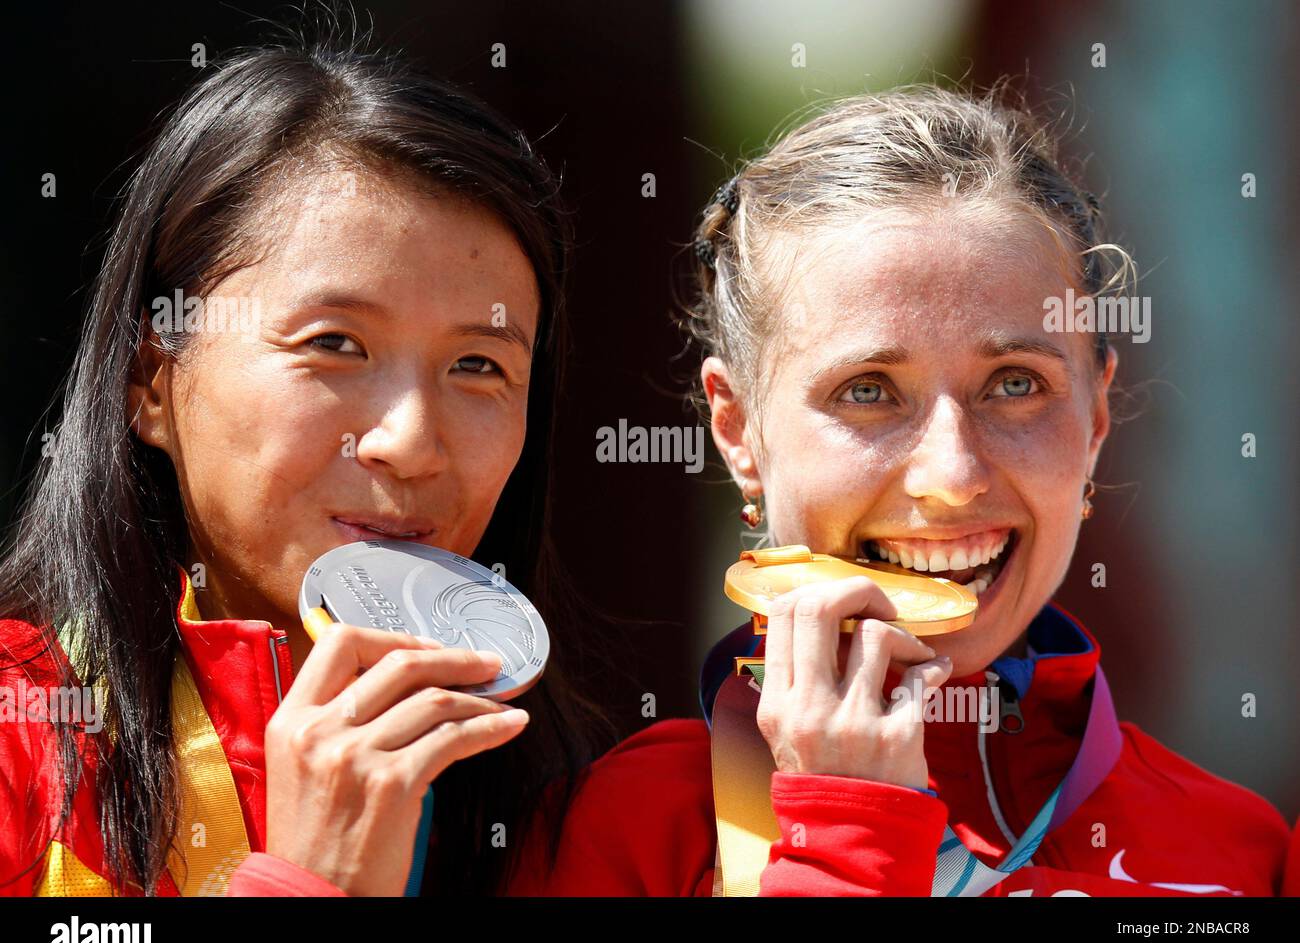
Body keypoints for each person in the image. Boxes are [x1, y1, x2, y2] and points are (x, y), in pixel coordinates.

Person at [505, 82, 1291, 896]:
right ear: (738, 431)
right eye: (870, 390)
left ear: (1095, 421)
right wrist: (846, 828)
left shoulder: (1241, 854)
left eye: (1015, 384)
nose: (953, 478)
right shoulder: (628, 833)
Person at [0, 34, 616, 897]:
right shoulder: (17, 747)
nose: (409, 439)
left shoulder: (603, 826)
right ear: (150, 379)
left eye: (479, 365)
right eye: (334, 344)